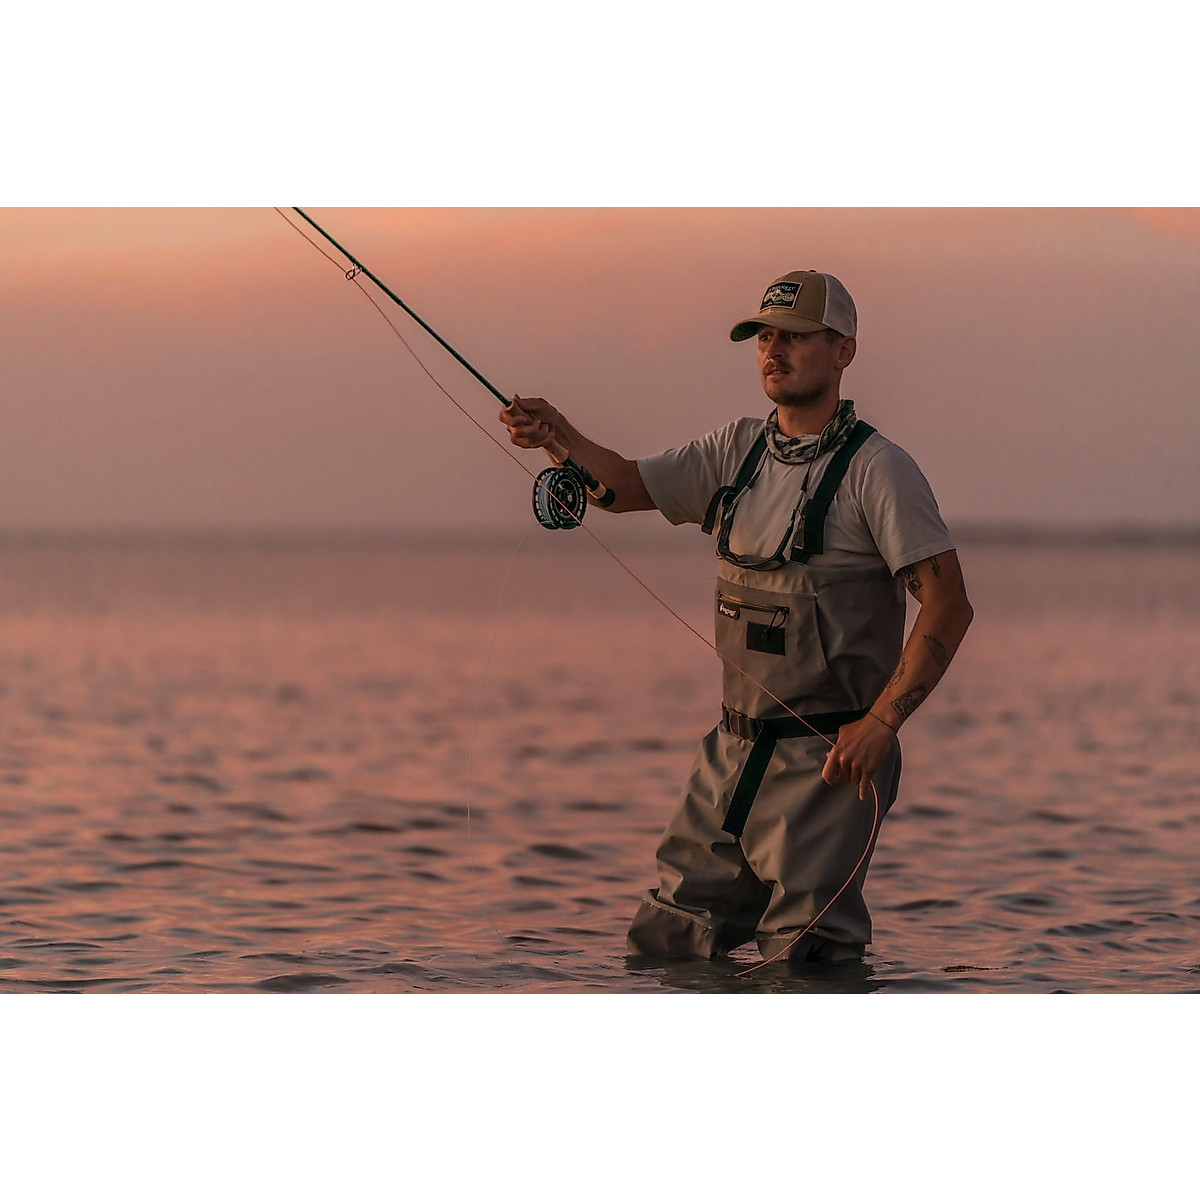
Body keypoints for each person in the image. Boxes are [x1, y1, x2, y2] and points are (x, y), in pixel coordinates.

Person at [499, 269, 974, 964]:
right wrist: (557, 433)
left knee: (805, 965)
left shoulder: (879, 470)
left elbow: (949, 604)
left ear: (843, 350)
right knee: (665, 945)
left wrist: (882, 724)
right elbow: (622, 486)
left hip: (829, 763)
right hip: (728, 756)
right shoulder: (734, 451)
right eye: (764, 337)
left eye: (796, 337)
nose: (774, 351)